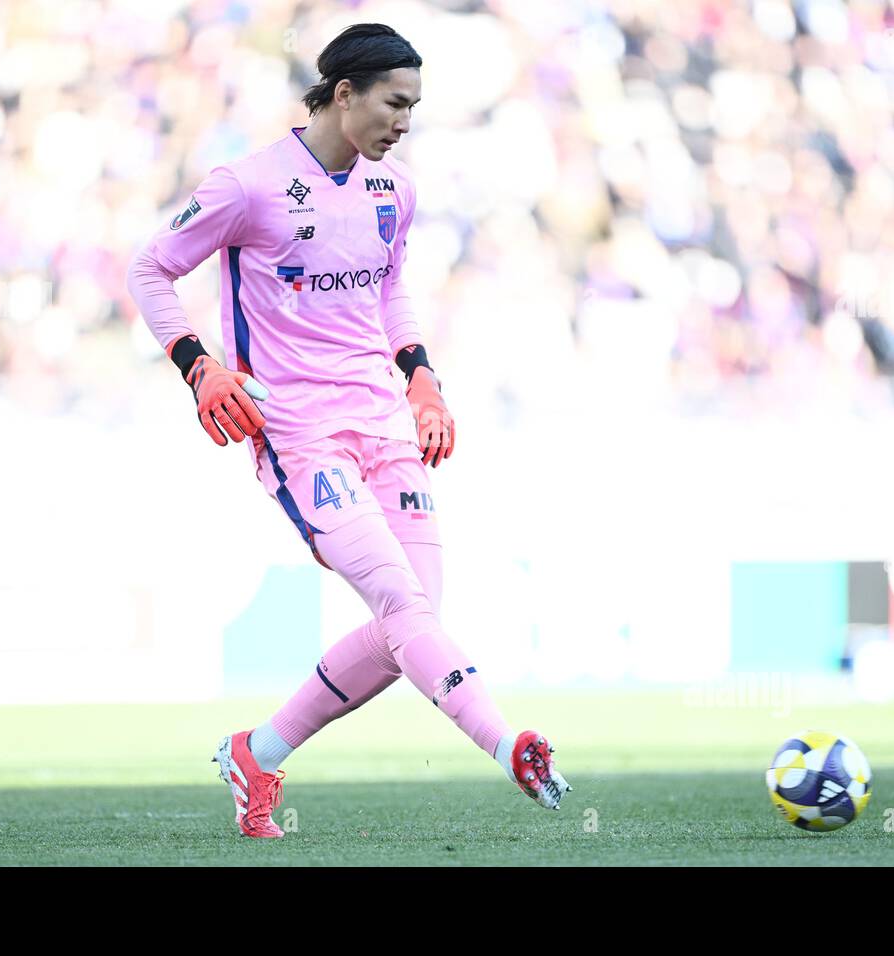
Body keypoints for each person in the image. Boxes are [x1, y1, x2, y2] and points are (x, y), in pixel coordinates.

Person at [126, 23, 568, 839]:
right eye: (395, 103)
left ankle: (257, 752)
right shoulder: (248, 185)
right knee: (403, 604)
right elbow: (149, 267)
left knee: (417, 617)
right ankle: (511, 746)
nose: (405, 122)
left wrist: (421, 374)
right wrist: (199, 363)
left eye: (415, 107)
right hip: (299, 435)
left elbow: (389, 287)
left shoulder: (392, 191)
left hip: (383, 422)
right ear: (343, 93)